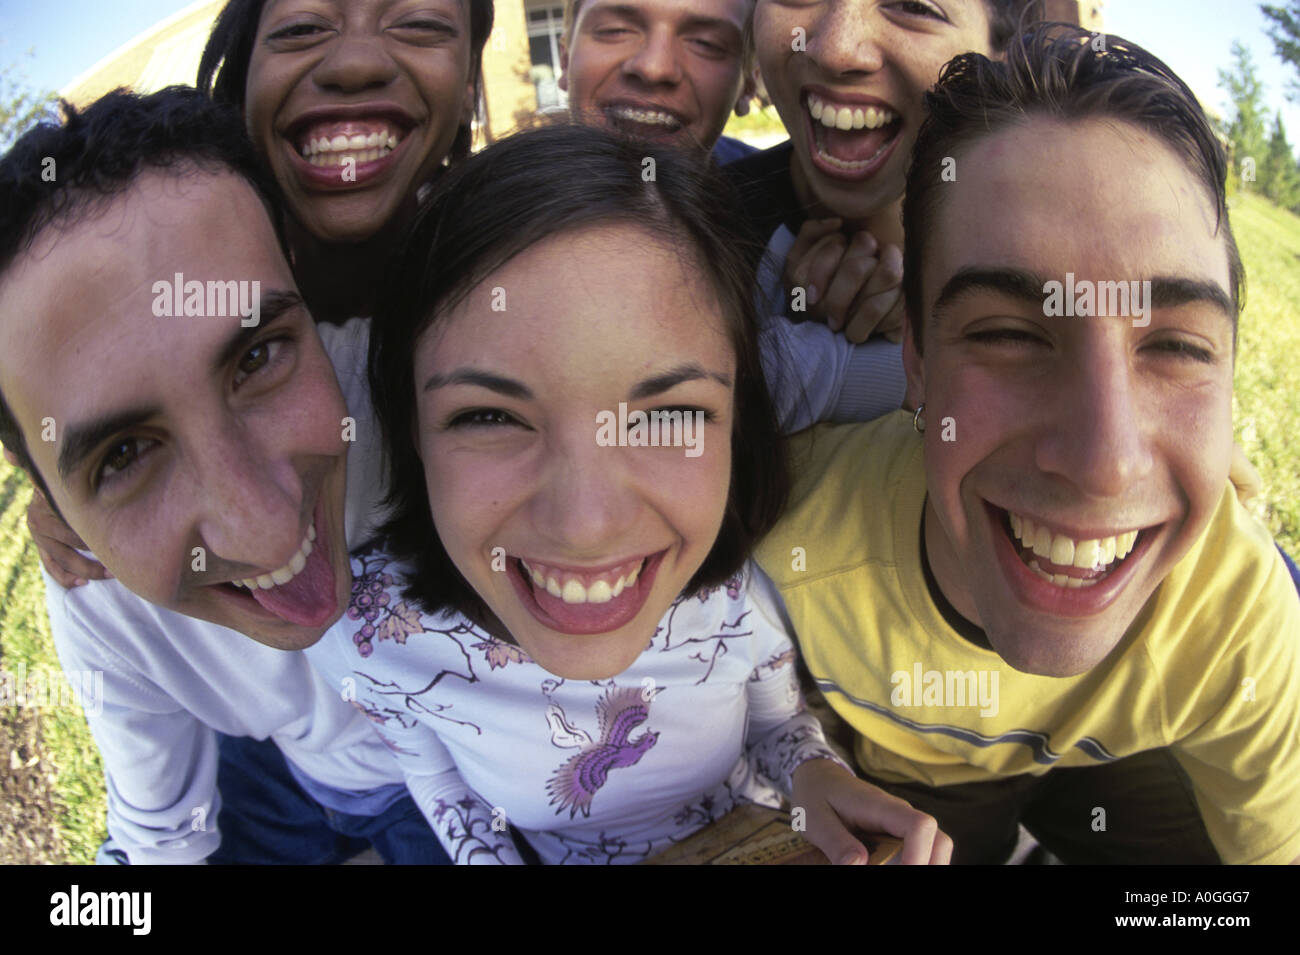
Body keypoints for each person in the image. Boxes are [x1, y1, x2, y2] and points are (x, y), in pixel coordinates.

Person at [306, 122, 952, 865]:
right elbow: (448, 794)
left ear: (737, 422)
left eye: (669, 415)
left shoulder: (739, 582)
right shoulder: (367, 638)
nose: (586, 526)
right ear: (410, 429)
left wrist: (814, 779)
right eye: (489, 416)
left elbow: (779, 724)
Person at [755, 26, 1300, 864]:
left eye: (1176, 346)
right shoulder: (788, 547)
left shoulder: (1240, 619)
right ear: (916, 360)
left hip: (1130, 756)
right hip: (927, 780)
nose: (1103, 463)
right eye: (1010, 335)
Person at [0, 86, 446, 864]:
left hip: (448, 781)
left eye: (257, 356)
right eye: (124, 455)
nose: (266, 527)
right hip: (283, 773)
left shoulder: (442, 416)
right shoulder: (97, 599)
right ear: (45, 490)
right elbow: (157, 839)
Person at [726, 0, 1032, 342]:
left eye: (913, 7)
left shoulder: (1055, 261)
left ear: (1003, 60)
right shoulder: (693, 240)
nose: (835, 51)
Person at [558, 0, 758, 162]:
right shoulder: (526, 190)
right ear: (565, 59)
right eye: (616, 30)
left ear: (749, 86)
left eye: (705, 43)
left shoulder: (781, 200)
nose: (654, 69)